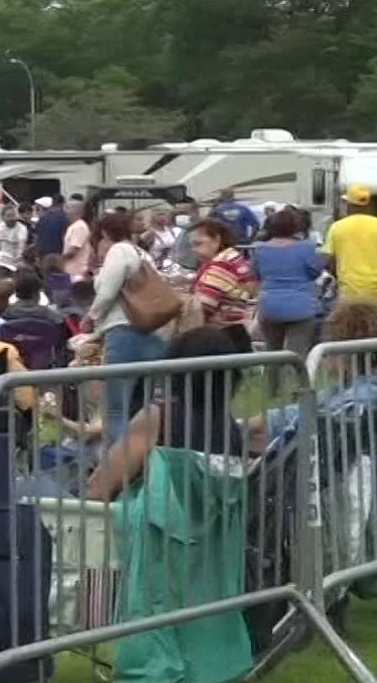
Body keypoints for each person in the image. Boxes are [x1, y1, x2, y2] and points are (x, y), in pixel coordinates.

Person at [85, 327, 250, 501]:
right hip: (210, 524)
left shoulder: (158, 417)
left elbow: (100, 487)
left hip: (149, 523)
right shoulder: (231, 430)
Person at [88, 209, 166, 440]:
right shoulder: (142, 254)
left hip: (124, 331)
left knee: (116, 410)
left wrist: (92, 316)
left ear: (103, 233)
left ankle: (117, 467)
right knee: (143, 408)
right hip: (152, 331)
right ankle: (142, 463)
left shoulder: (118, 250)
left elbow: (107, 291)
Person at [250, 207, 326, 369]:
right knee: (296, 353)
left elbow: (256, 274)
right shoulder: (306, 247)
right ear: (294, 227)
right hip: (301, 306)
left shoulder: (259, 249)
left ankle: (272, 390)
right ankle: (296, 390)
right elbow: (315, 271)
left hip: (270, 306)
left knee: (272, 351)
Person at [188, 218, 257, 352]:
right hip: (235, 330)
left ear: (216, 239)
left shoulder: (221, 266)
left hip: (220, 336)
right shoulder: (233, 259)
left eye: (198, 244)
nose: (194, 250)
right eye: (192, 245)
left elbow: (205, 306)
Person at [322, 185, 377, 307]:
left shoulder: (337, 227)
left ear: (349, 205)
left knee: (350, 324)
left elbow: (328, 259)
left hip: (348, 289)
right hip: (376, 288)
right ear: (368, 204)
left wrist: (334, 271)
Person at [59, 200, 93, 282]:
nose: (65, 212)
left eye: (68, 208)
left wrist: (58, 260)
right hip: (71, 269)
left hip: (76, 271)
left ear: (77, 212)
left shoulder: (79, 227)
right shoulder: (73, 226)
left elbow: (73, 250)